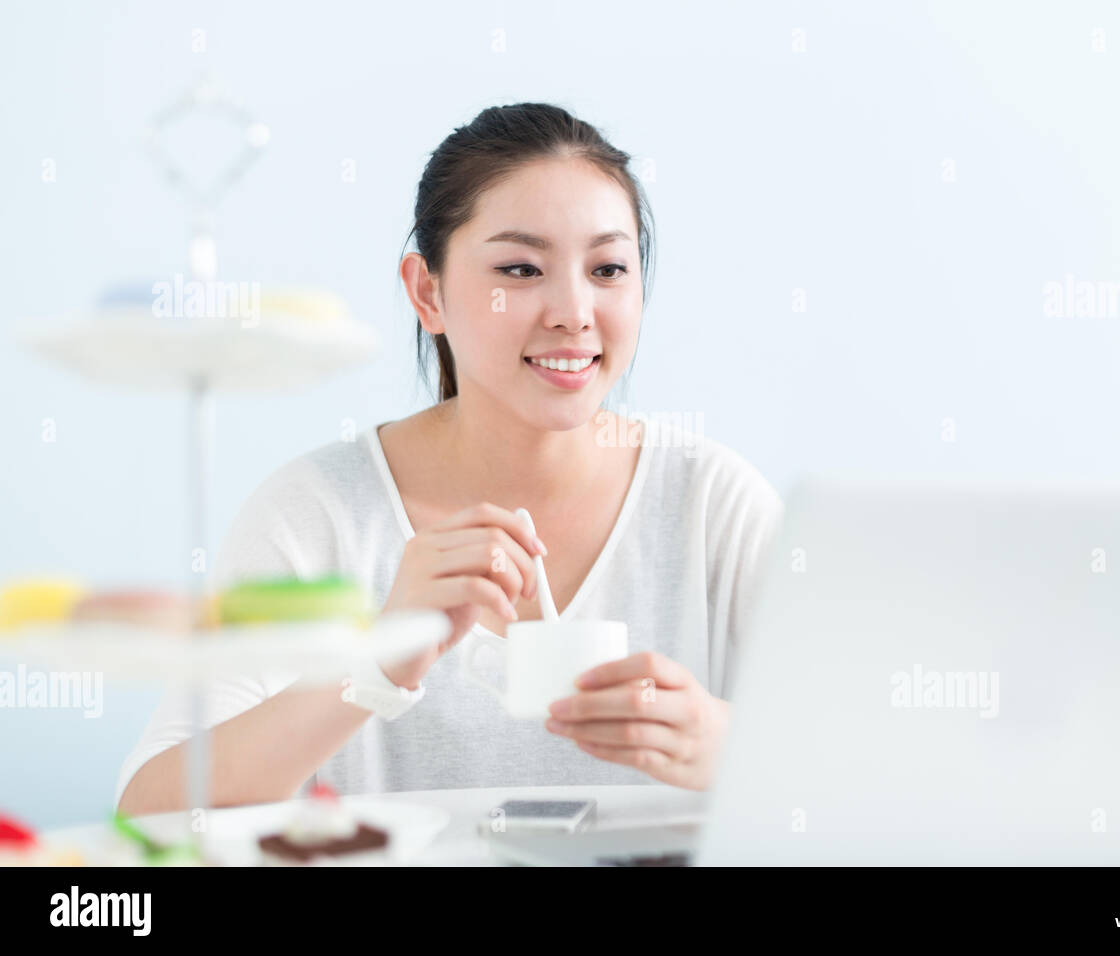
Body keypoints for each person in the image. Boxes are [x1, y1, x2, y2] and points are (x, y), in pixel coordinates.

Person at [116, 102, 783, 813]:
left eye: (609, 267)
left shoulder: (713, 504)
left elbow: (877, 780)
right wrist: (373, 665)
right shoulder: (317, 515)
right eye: (522, 269)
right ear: (426, 292)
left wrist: (733, 750)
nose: (573, 310)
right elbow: (152, 812)